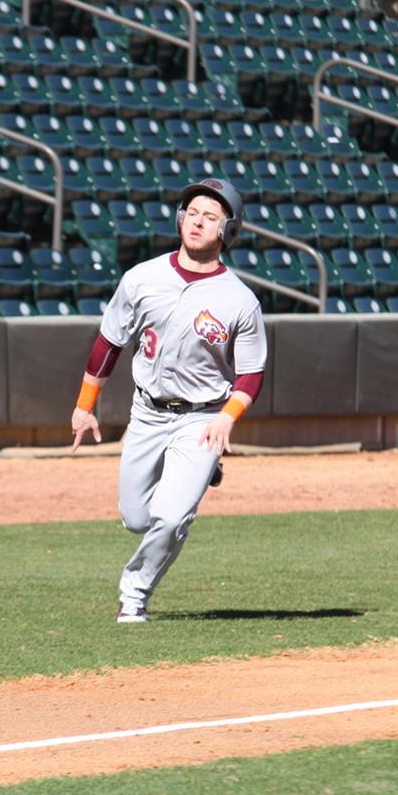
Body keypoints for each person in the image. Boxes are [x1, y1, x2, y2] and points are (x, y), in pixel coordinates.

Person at [69, 178, 267, 623]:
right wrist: (85, 405)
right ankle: (199, 476)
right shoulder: (142, 278)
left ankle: (134, 594)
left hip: (202, 419)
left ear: (228, 231)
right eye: (192, 212)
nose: (197, 222)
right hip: (147, 413)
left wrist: (228, 417)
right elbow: (109, 343)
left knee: (172, 517)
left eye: (210, 217)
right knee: (137, 518)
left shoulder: (239, 300)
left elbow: (252, 372)